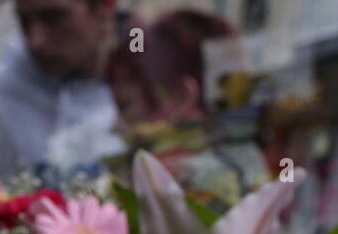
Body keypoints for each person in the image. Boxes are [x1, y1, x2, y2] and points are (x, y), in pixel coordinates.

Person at [104, 10, 267, 211]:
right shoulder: (242, 159)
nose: (115, 126)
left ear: (180, 98)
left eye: (125, 105)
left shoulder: (171, 182)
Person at [0, 0, 129, 186]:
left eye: (54, 18)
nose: (36, 41)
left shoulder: (155, 88)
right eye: (24, 20)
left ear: (105, 8)